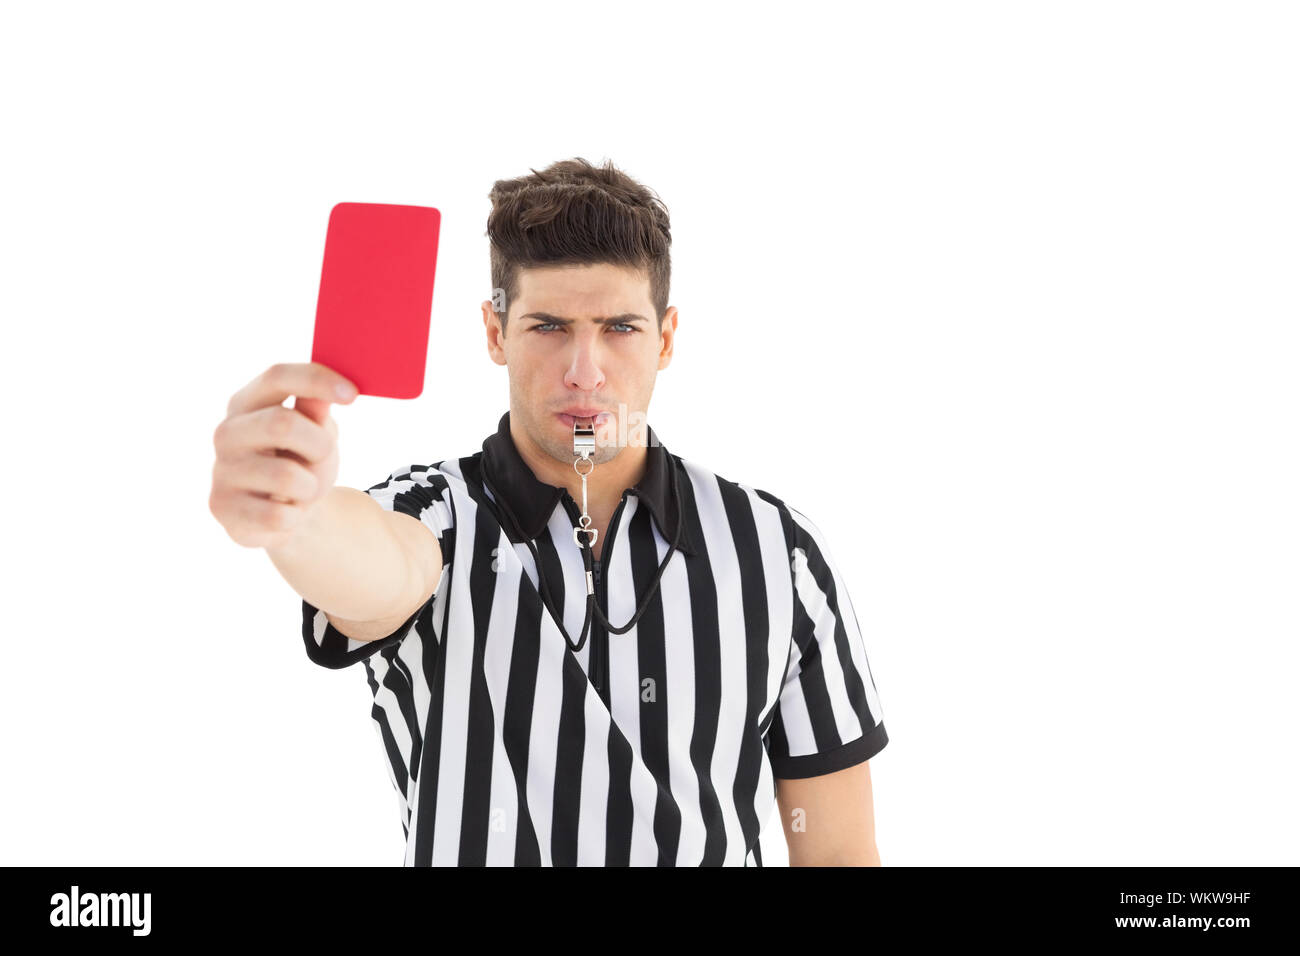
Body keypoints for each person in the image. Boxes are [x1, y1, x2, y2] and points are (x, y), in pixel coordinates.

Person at [210, 157, 888, 866]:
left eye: (620, 327)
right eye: (549, 327)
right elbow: (378, 564)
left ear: (666, 337)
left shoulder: (777, 552)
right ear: (496, 331)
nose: (584, 370)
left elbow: (838, 850)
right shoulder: (438, 514)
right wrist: (297, 510)